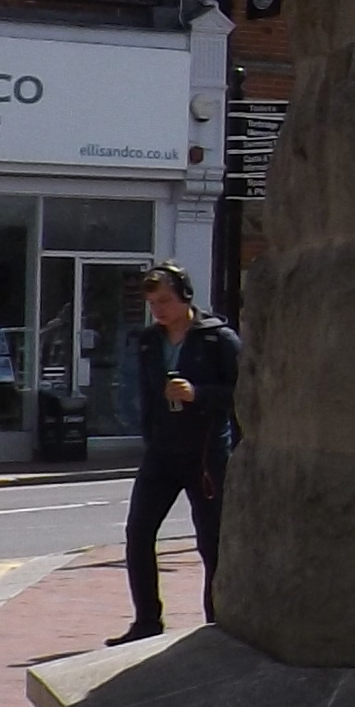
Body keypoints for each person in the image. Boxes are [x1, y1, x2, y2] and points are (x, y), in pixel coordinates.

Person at [111, 263, 245, 645]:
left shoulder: (218, 339)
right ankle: (146, 621)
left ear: (185, 296)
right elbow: (144, 392)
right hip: (162, 452)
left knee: (210, 540)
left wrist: (198, 393)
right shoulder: (149, 341)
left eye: (165, 301)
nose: (159, 310)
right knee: (138, 533)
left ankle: (217, 622)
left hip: (204, 455)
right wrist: (149, 432)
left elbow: (245, 393)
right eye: (153, 303)